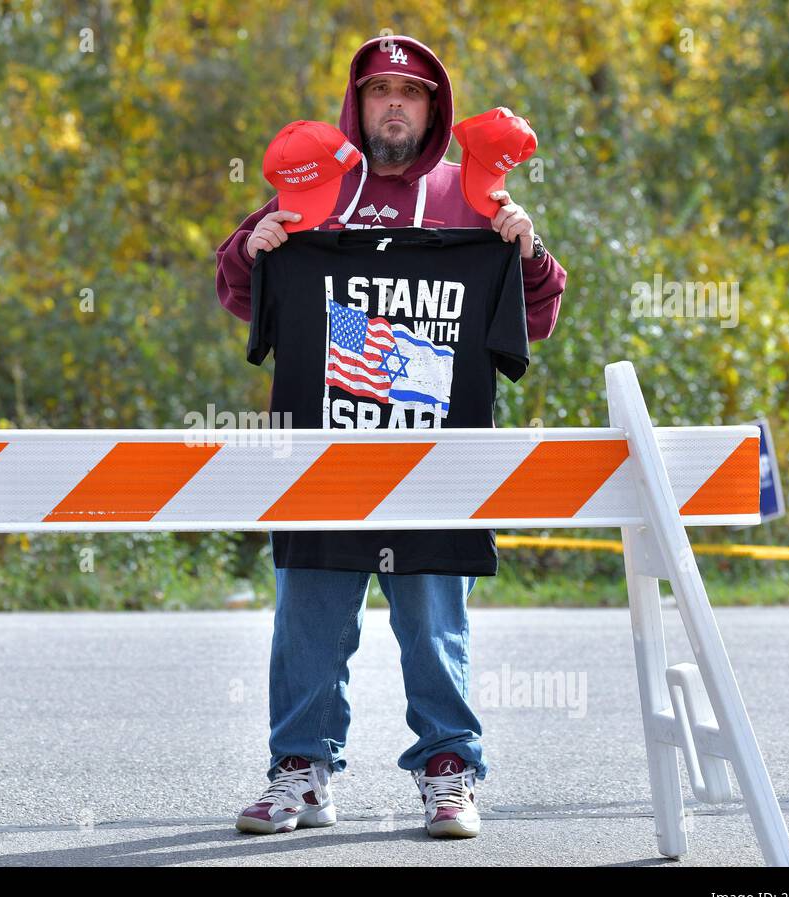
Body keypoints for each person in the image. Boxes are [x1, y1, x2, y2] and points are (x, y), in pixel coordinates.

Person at [214, 35, 567, 839]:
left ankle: (450, 770)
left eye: (411, 91)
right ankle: (301, 771)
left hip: (437, 462)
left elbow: (536, 315)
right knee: (306, 617)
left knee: (435, 623)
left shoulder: (471, 196)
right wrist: (257, 244)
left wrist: (526, 246)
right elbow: (242, 294)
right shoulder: (314, 187)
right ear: (358, 104)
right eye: (380, 91)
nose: (396, 105)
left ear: (434, 108)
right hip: (323, 456)